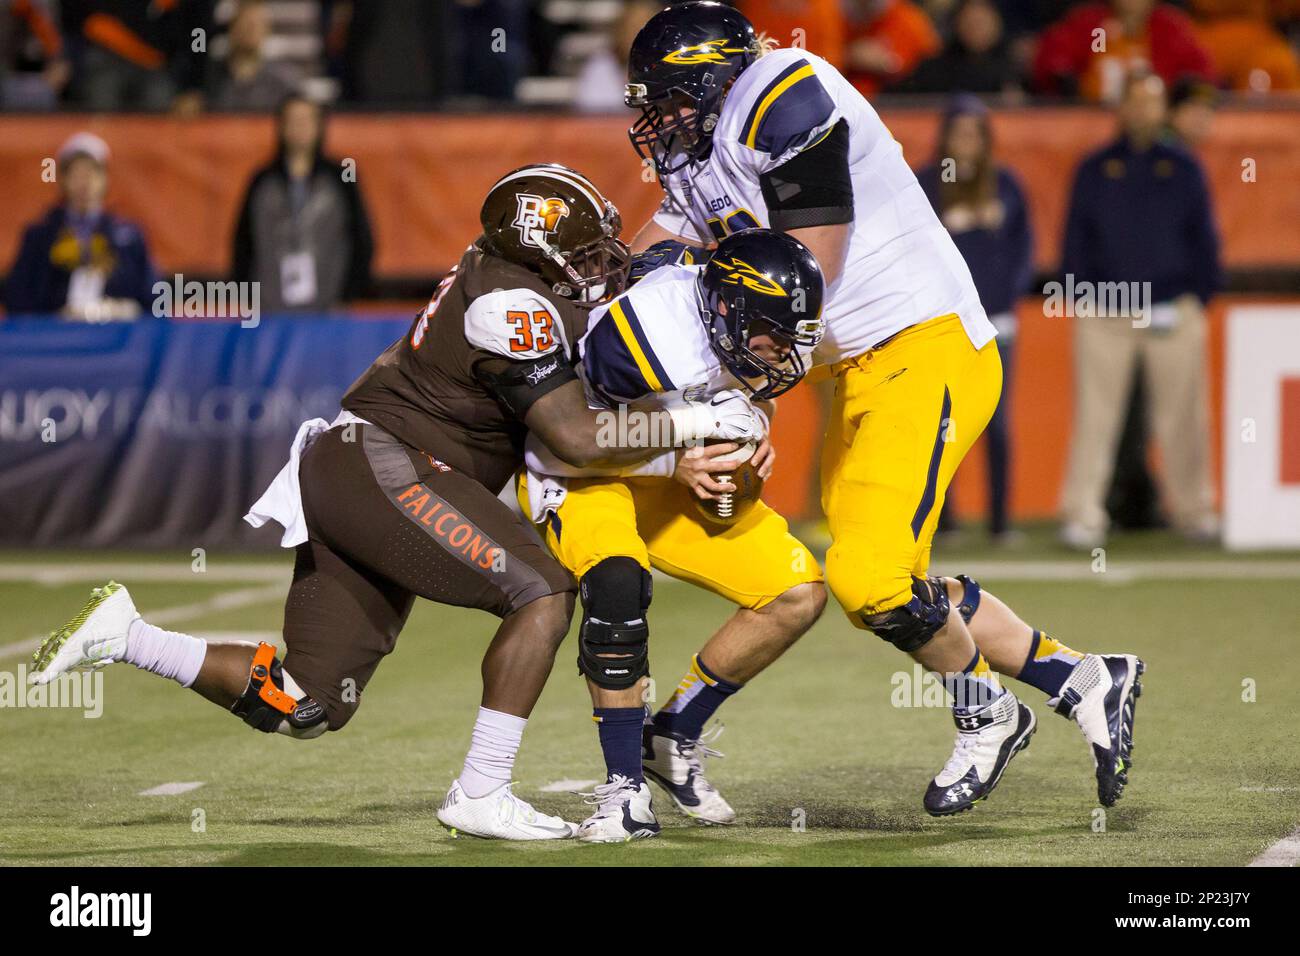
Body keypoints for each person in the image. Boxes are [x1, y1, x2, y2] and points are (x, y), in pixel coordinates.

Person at [29, 164, 768, 841]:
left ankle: (127, 636)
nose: (597, 265)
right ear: (536, 251)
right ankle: (481, 791)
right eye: (582, 253)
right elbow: (572, 436)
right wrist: (698, 422)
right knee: (542, 591)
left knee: (308, 702)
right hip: (387, 466)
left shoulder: (515, 279)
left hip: (364, 470)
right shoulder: (511, 307)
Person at [622, 1, 1144, 814]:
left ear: (717, 80)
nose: (660, 116)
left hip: (923, 343)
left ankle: (987, 715)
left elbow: (810, 269)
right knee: (887, 582)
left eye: (671, 95)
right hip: (856, 368)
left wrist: (735, 397)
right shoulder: (703, 148)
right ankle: (1081, 677)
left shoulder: (783, 93)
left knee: (865, 578)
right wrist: (604, 282)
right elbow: (658, 243)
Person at [525, 230, 828, 841]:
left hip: (662, 461)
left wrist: (747, 435)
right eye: (771, 338)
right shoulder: (643, 339)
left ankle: (670, 735)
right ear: (727, 313)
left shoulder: (730, 319)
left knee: (797, 592)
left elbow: (740, 388)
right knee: (617, 587)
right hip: (577, 470)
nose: (780, 356)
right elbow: (579, 442)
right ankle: (623, 794)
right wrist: (676, 461)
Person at [1059, 72, 1221, 549]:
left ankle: (1194, 510)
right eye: (1135, 102)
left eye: (1153, 102)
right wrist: (1082, 291)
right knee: (1095, 416)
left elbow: (1203, 239)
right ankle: (1083, 513)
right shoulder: (1095, 168)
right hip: (1108, 309)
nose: (1144, 112)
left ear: (1164, 109)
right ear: (1121, 108)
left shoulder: (1184, 167)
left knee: (1185, 415)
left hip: (1173, 309)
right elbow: (1076, 239)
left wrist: (1197, 295)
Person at [916, 95, 1034, 540]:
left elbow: (1025, 251)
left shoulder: (1006, 184)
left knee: (997, 424)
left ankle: (1000, 522)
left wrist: (1005, 298)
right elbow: (914, 250)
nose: (966, 141)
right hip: (940, 324)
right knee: (940, 424)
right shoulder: (926, 184)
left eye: (974, 133)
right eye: (958, 131)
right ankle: (940, 520)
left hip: (996, 324)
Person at [231, 94, 374, 313]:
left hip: (328, 308)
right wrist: (248, 297)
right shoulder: (262, 181)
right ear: (281, 127)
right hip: (270, 310)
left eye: (307, 120)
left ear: (320, 126)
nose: (300, 127)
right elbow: (243, 243)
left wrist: (347, 296)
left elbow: (361, 239)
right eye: (293, 120)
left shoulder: (342, 177)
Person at [6, 132, 157, 319]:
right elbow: (18, 299)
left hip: (117, 339)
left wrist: (123, 309)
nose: (85, 183)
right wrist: (57, 315)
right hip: (54, 340)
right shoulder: (40, 236)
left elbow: (152, 300)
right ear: (63, 180)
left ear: (104, 179)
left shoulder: (129, 236)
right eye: (77, 174)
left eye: (92, 173)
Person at [1033, 0, 1215, 101]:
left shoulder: (1169, 27)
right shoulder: (1092, 24)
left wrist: (1180, 94)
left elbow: (1201, 72)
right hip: (1090, 117)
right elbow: (1054, 59)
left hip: (1155, 125)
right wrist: (1066, 80)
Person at [899, 0, 1023, 94]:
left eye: (981, 23)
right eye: (971, 23)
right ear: (958, 23)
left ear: (997, 24)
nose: (976, 30)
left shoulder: (1014, 69)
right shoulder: (934, 70)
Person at [205, 0, 298, 112]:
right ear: (231, 29)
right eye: (245, 24)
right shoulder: (208, 76)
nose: (249, 31)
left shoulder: (283, 80)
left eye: (255, 25)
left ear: (267, 30)